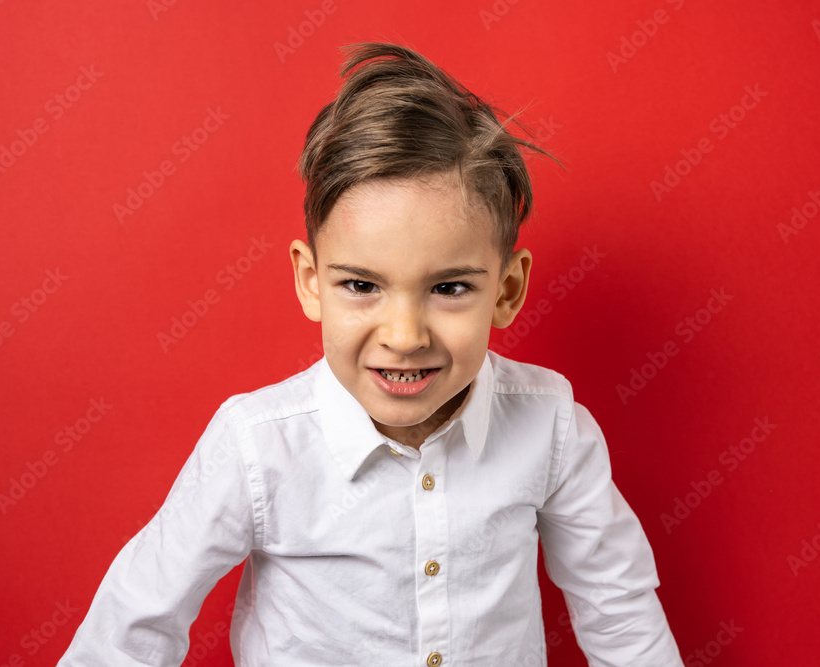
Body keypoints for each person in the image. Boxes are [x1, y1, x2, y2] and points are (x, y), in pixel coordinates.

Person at [58, 41, 684, 666]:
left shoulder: (550, 427)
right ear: (311, 283)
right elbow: (133, 623)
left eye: (449, 288)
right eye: (361, 286)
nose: (405, 335)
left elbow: (620, 612)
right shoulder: (256, 445)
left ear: (507, 290)